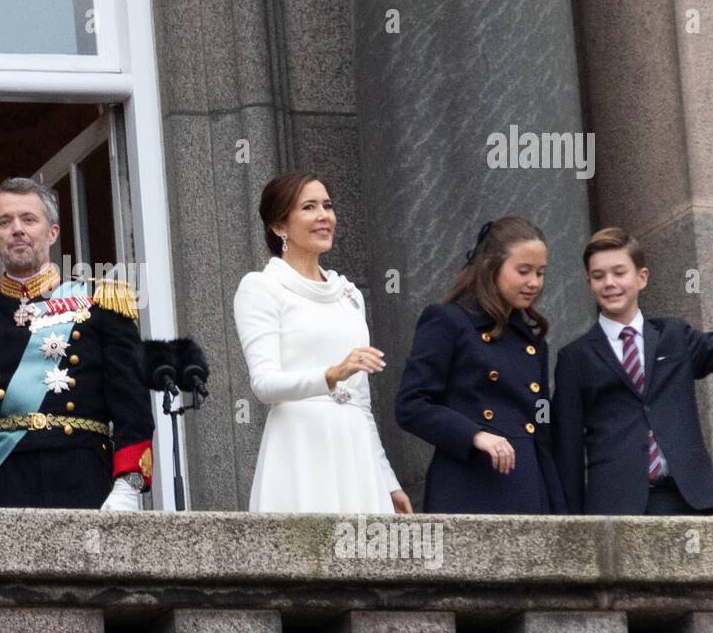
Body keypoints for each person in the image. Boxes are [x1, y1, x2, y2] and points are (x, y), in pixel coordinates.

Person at [0, 178, 154, 510]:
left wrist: (129, 483)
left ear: (53, 232)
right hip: (6, 483)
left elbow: (131, 402)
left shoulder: (100, 304)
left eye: (29, 219)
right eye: (5, 222)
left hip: (85, 476)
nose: (17, 230)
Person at [233, 173, 411, 514]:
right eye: (309, 207)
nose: (324, 216)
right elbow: (264, 384)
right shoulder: (261, 288)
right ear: (279, 226)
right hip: (300, 447)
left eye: (327, 206)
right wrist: (331, 374)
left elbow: (360, 402)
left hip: (356, 452)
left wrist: (387, 481)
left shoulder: (349, 295)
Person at [552, 223, 713, 515]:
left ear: (642, 277)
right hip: (614, 506)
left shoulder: (675, 336)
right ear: (589, 283)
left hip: (686, 499)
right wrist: (572, 523)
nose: (609, 283)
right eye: (598, 276)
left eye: (619, 272)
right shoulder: (574, 357)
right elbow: (567, 447)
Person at [396, 217, 565, 514]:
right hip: (468, 486)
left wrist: (558, 510)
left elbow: (541, 430)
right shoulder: (448, 321)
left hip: (527, 487)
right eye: (523, 271)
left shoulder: (534, 342)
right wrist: (474, 434)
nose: (534, 282)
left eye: (540, 273)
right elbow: (411, 406)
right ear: (490, 266)